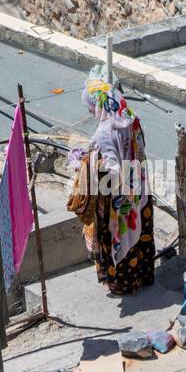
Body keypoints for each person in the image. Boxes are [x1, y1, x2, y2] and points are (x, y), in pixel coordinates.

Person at [67, 76, 155, 294]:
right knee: (141, 234)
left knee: (119, 238)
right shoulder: (130, 116)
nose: (89, 111)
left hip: (116, 198)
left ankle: (123, 285)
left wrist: (84, 164)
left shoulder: (104, 133)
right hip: (139, 188)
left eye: (89, 107)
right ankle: (143, 276)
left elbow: (112, 169)